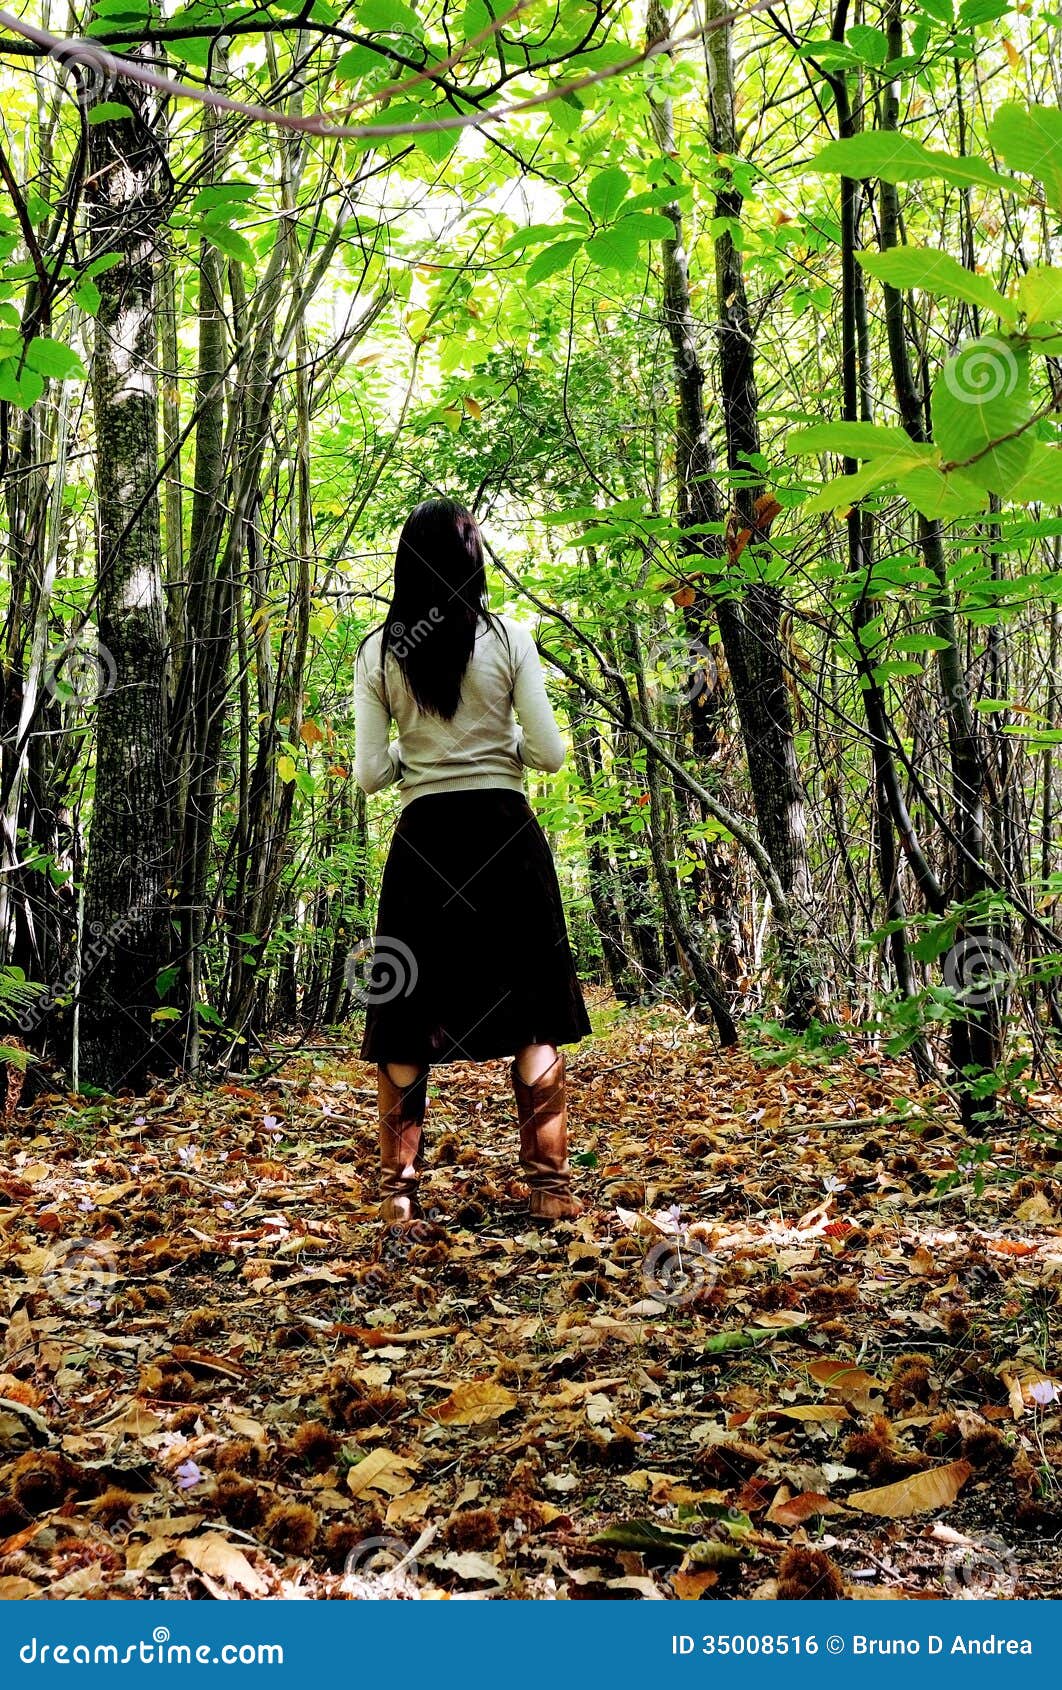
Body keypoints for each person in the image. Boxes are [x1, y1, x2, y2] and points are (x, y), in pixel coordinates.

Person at [353, 497, 592, 1225]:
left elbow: (369, 775)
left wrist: (416, 753)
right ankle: (548, 1187)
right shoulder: (512, 637)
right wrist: (498, 749)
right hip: (505, 838)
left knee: (405, 1015)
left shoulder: (377, 651)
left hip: (426, 845)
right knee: (531, 1013)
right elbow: (550, 754)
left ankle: (398, 1191)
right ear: (473, 560)